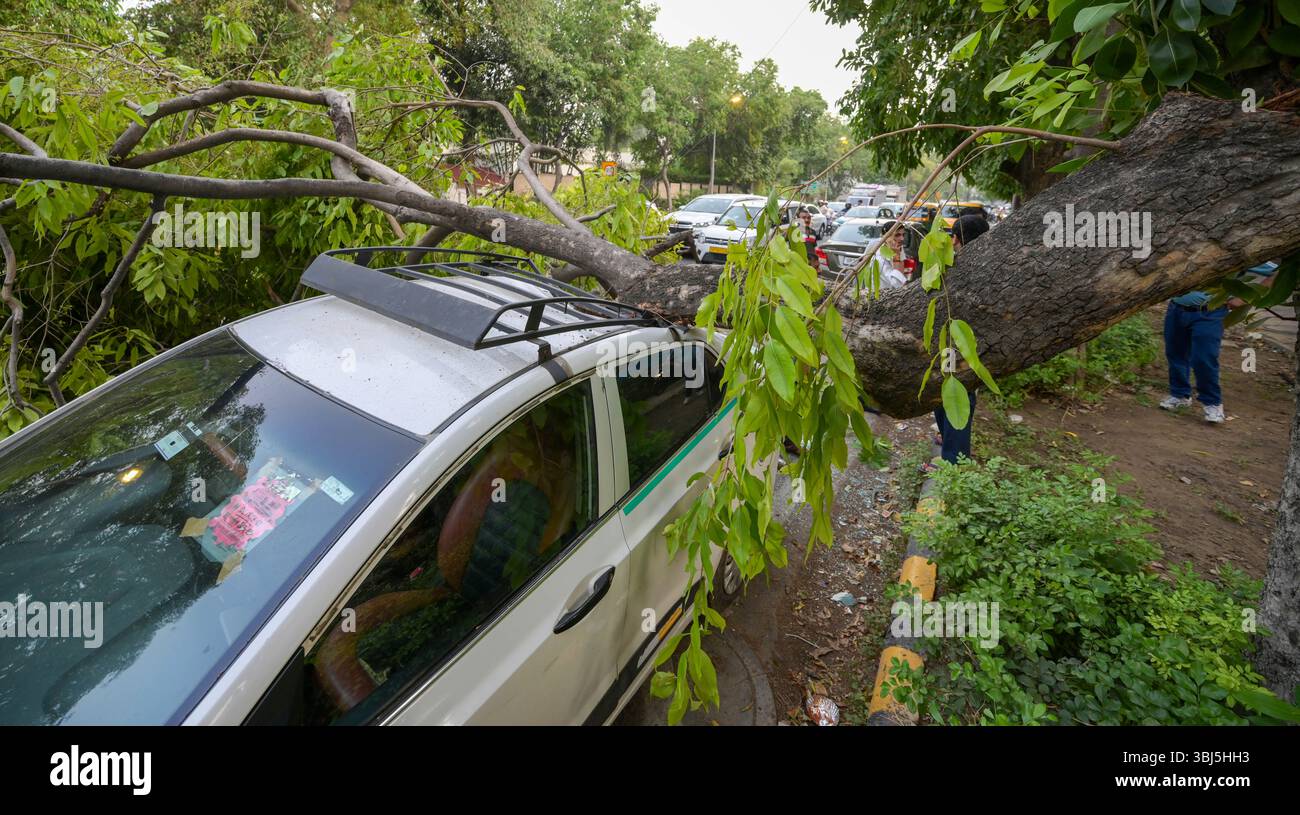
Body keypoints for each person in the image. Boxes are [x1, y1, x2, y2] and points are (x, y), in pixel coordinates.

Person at [1161, 260, 1278, 423]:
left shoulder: (1237, 247)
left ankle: (1212, 403)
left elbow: (1280, 272)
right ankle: (1180, 395)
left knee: (1203, 358)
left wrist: (1245, 298)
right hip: (1176, 309)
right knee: (1175, 354)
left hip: (1210, 313)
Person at [932, 214, 990, 464]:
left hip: (953, 344)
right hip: (971, 341)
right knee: (954, 392)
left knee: (954, 394)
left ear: (955, 238)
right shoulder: (992, 264)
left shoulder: (952, 266)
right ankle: (949, 442)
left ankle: (952, 459)